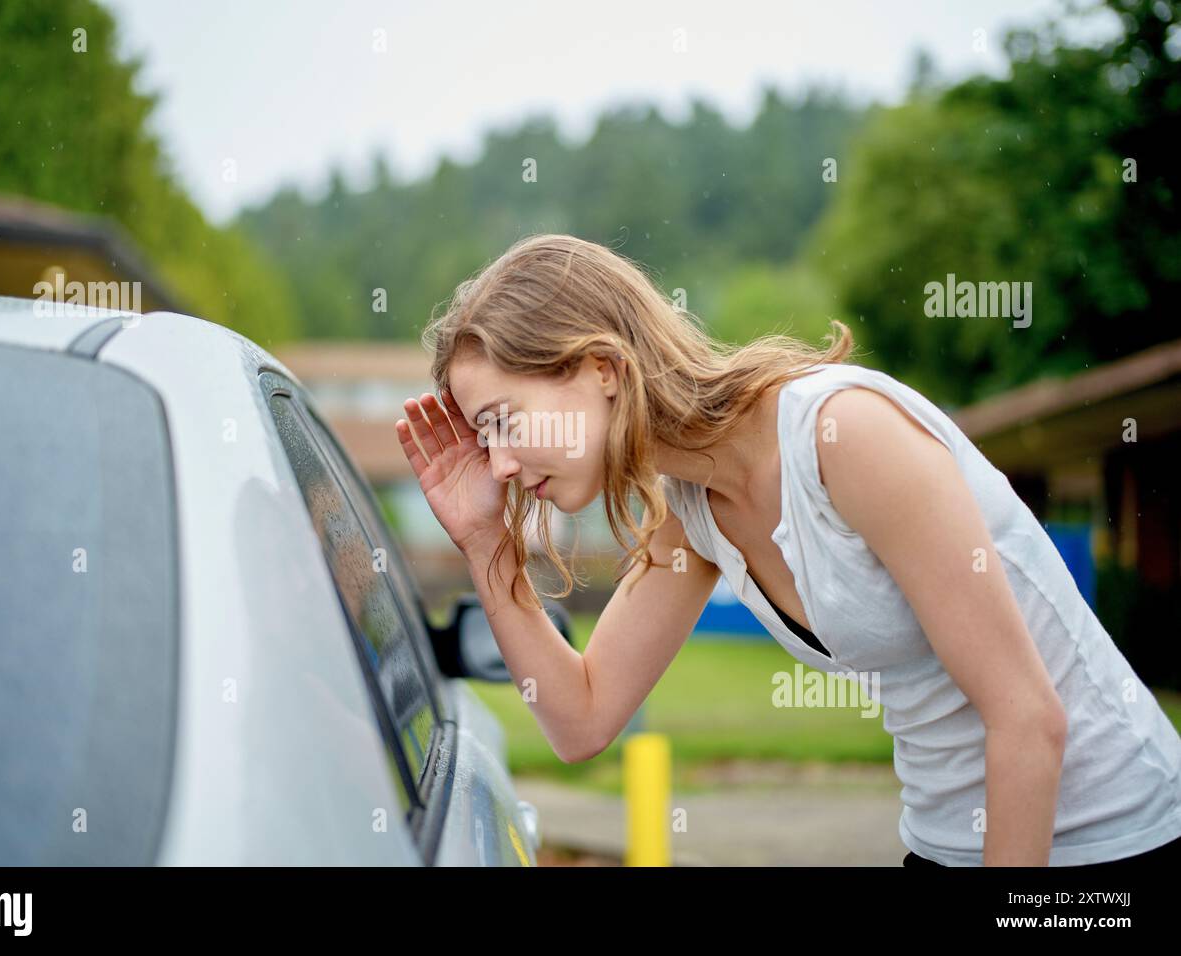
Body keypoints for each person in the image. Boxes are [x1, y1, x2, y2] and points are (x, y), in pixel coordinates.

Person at [394, 233, 1181, 867]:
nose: (497, 464)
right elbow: (581, 721)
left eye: (502, 420)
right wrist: (484, 540)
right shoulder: (693, 508)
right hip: (945, 843)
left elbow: (1027, 717)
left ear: (601, 368)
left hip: (1113, 841)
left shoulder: (843, 436)